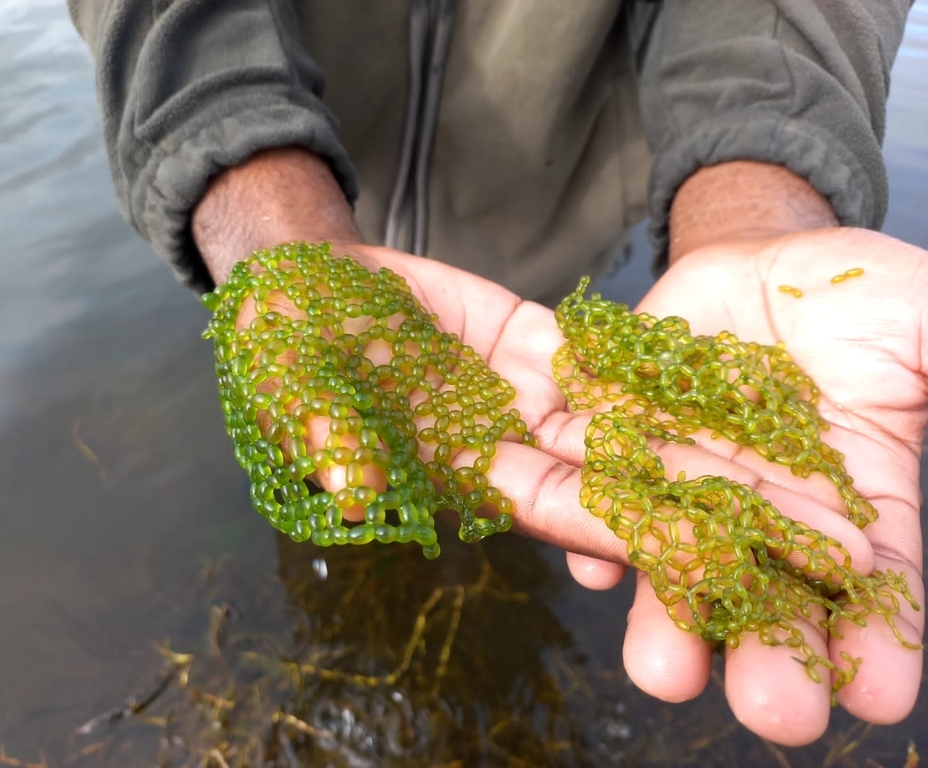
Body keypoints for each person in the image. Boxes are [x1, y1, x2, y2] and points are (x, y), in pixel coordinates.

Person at [67, 0, 925, 747]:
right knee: (336, 459)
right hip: (291, 195)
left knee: (512, 482)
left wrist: (749, 213)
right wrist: (252, 187)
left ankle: (466, 607)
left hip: (538, 262)